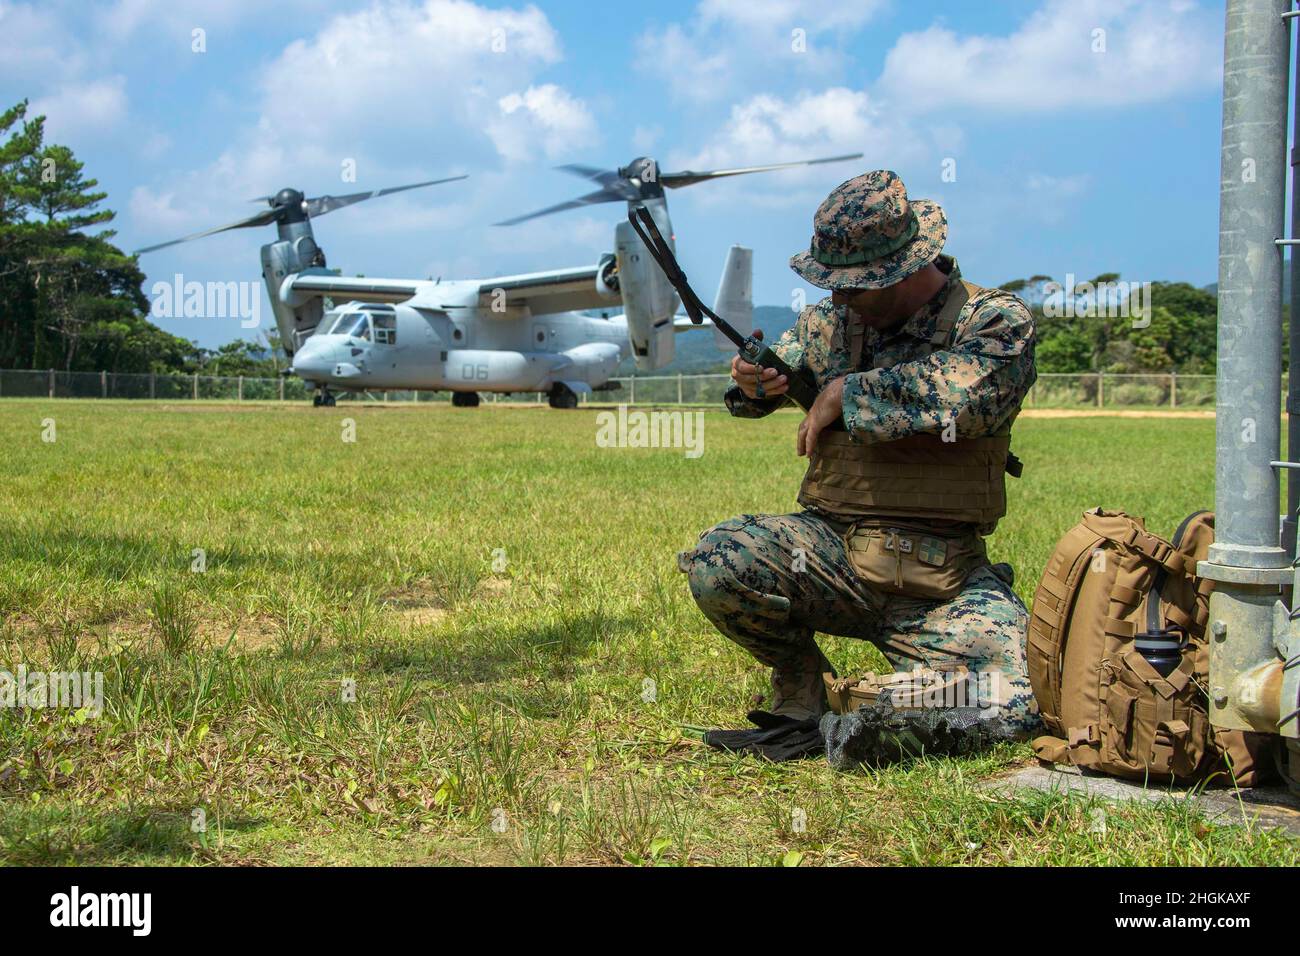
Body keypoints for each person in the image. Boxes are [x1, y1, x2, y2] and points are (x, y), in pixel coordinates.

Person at [678, 169, 1042, 765]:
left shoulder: (993, 321)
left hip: (939, 580)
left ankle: (888, 719)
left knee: (1014, 697)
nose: (838, 297)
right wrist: (754, 383)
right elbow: (772, 380)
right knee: (722, 558)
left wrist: (848, 394)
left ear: (903, 269)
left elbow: (969, 396)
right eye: (833, 284)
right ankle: (803, 693)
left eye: (854, 286)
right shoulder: (830, 324)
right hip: (829, 556)